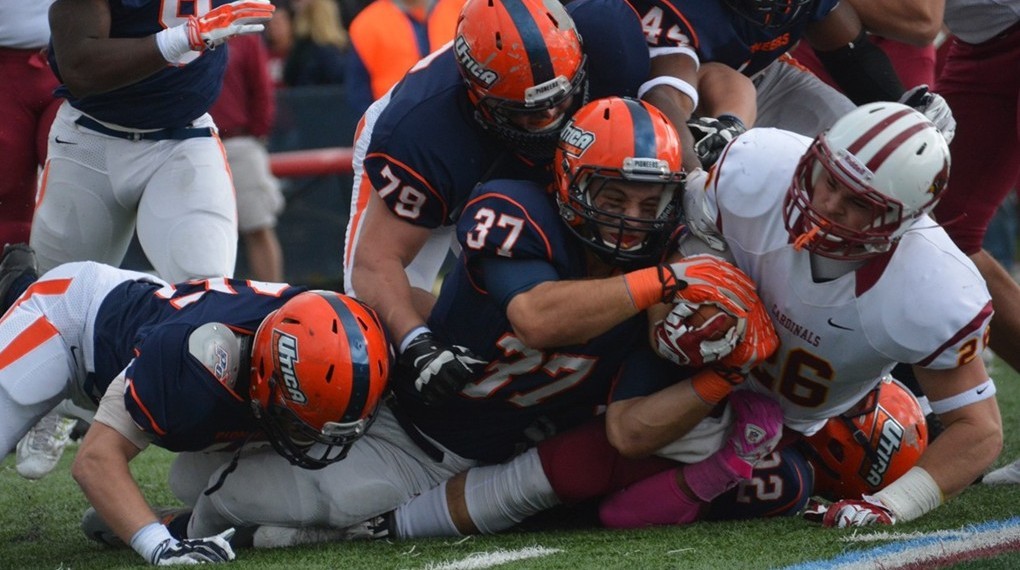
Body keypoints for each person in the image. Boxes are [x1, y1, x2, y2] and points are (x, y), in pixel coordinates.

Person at [170, 96, 776, 547]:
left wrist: (725, 371)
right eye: (612, 198)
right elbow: (537, 318)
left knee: (319, 499)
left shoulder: (659, 288)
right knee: (189, 463)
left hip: (438, 453)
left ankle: (204, 527)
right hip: (384, 386)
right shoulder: (516, 211)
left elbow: (630, 433)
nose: (630, 220)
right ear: (567, 183)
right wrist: (664, 282)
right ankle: (168, 522)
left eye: (650, 204)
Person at [382, 102, 1002, 536]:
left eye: (857, 204)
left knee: (615, 470)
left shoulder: (934, 291)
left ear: (902, 220)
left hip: (770, 416)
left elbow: (979, 429)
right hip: (691, 341)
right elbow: (684, 230)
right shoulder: (759, 166)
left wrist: (893, 505)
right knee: (609, 437)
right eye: (824, 178)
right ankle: (411, 512)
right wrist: (706, 294)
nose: (824, 203)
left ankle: (410, 522)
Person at [343, 0, 651, 412]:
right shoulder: (424, 132)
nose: (553, 118)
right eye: (530, 112)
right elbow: (375, 264)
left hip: (515, 150)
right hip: (462, 169)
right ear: (478, 97)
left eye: (562, 100)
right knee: (382, 324)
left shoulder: (608, 37)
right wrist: (418, 340)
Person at [0, 244, 392, 566]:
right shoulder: (194, 363)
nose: (307, 438)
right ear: (263, 378)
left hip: (145, 328)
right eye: (298, 423)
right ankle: (16, 290)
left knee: (204, 480)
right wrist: (158, 545)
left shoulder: (325, 331)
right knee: (30, 395)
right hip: (65, 322)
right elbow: (95, 461)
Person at [19, 0, 276, 484]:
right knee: (46, 305)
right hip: (91, 140)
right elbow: (79, 64)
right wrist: (186, 37)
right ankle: (50, 401)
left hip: (185, 137)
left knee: (210, 312)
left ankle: (213, 454)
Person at [626, 0, 956, 172]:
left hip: (763, 76)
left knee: (870, 157)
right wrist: (696, 181)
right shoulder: (681, 13)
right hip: (669, 95)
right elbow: (663, 97)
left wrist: (901, 109)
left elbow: (848, 53)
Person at [208, 34, 287, 282]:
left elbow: (262, 90)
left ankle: (273, 304)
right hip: (189, 140)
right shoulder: (177, 22)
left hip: (236, 142)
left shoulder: (243, 33)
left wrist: (256, 134)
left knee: (258, 226)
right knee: (200, 234)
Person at [0, 1, 59, 247]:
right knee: (10, 192)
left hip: (70, 61)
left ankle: (77, 279)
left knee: (72, 178)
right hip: (7, 70)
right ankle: (15, 279)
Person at [345, 0, 464, 117]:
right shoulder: (366, 25)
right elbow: (359, 95)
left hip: (460, 117)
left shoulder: (465, 9)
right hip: (395, 124)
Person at [283, 0, 348, 86]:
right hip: (336, 97)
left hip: (303, 97)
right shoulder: (343, 47)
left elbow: (288, 76)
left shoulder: (301, 47)